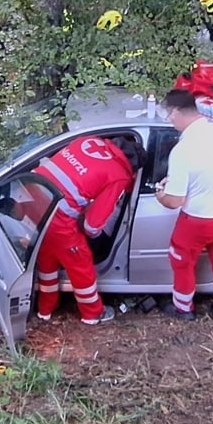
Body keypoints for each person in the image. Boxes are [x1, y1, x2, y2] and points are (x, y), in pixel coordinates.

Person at [32, 135, 146, 325]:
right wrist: (93, 236)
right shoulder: (119, 174)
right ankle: (93, 314)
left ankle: (46, 309)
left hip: (32, 198)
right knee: (81, 265)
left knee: (47, 259)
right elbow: (92, 223)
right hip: (58, 217)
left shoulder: (87, 140)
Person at [154, 89, 213, 326]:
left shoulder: (182, 151)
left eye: (169, 115)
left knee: (181, 260)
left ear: (177, 112)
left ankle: (183, 308)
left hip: (200, 219)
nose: (169, 121)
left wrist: (160, 193)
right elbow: (208, 169)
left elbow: (175, 202)